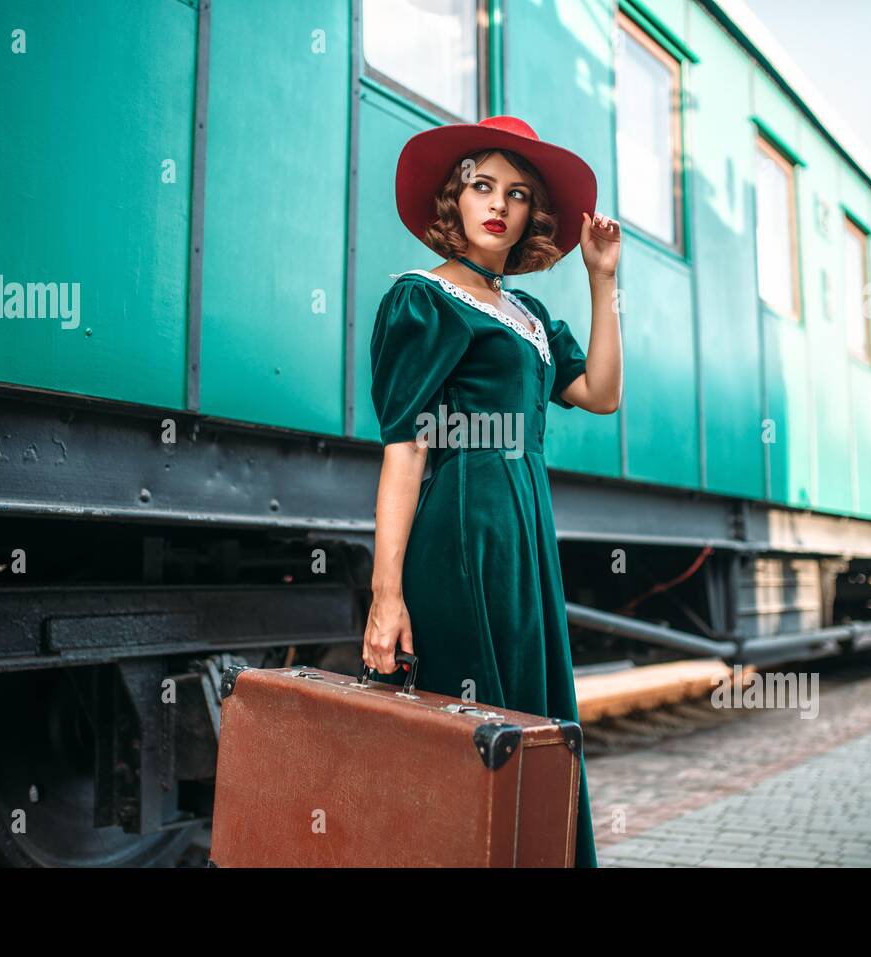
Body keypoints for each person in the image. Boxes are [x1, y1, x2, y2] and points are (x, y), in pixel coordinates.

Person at [365, 115, 622, 868]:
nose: (498, 204)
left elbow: (601, 393)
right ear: (456, 199)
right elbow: (406, 450)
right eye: (482, 185)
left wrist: (601, 279)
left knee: (532, 721)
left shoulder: (532, 316)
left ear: (530, 217)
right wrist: (386, 595)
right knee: (473, 730)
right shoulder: (422, 299)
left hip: (525, 530)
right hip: (461, 530)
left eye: (516, 193)